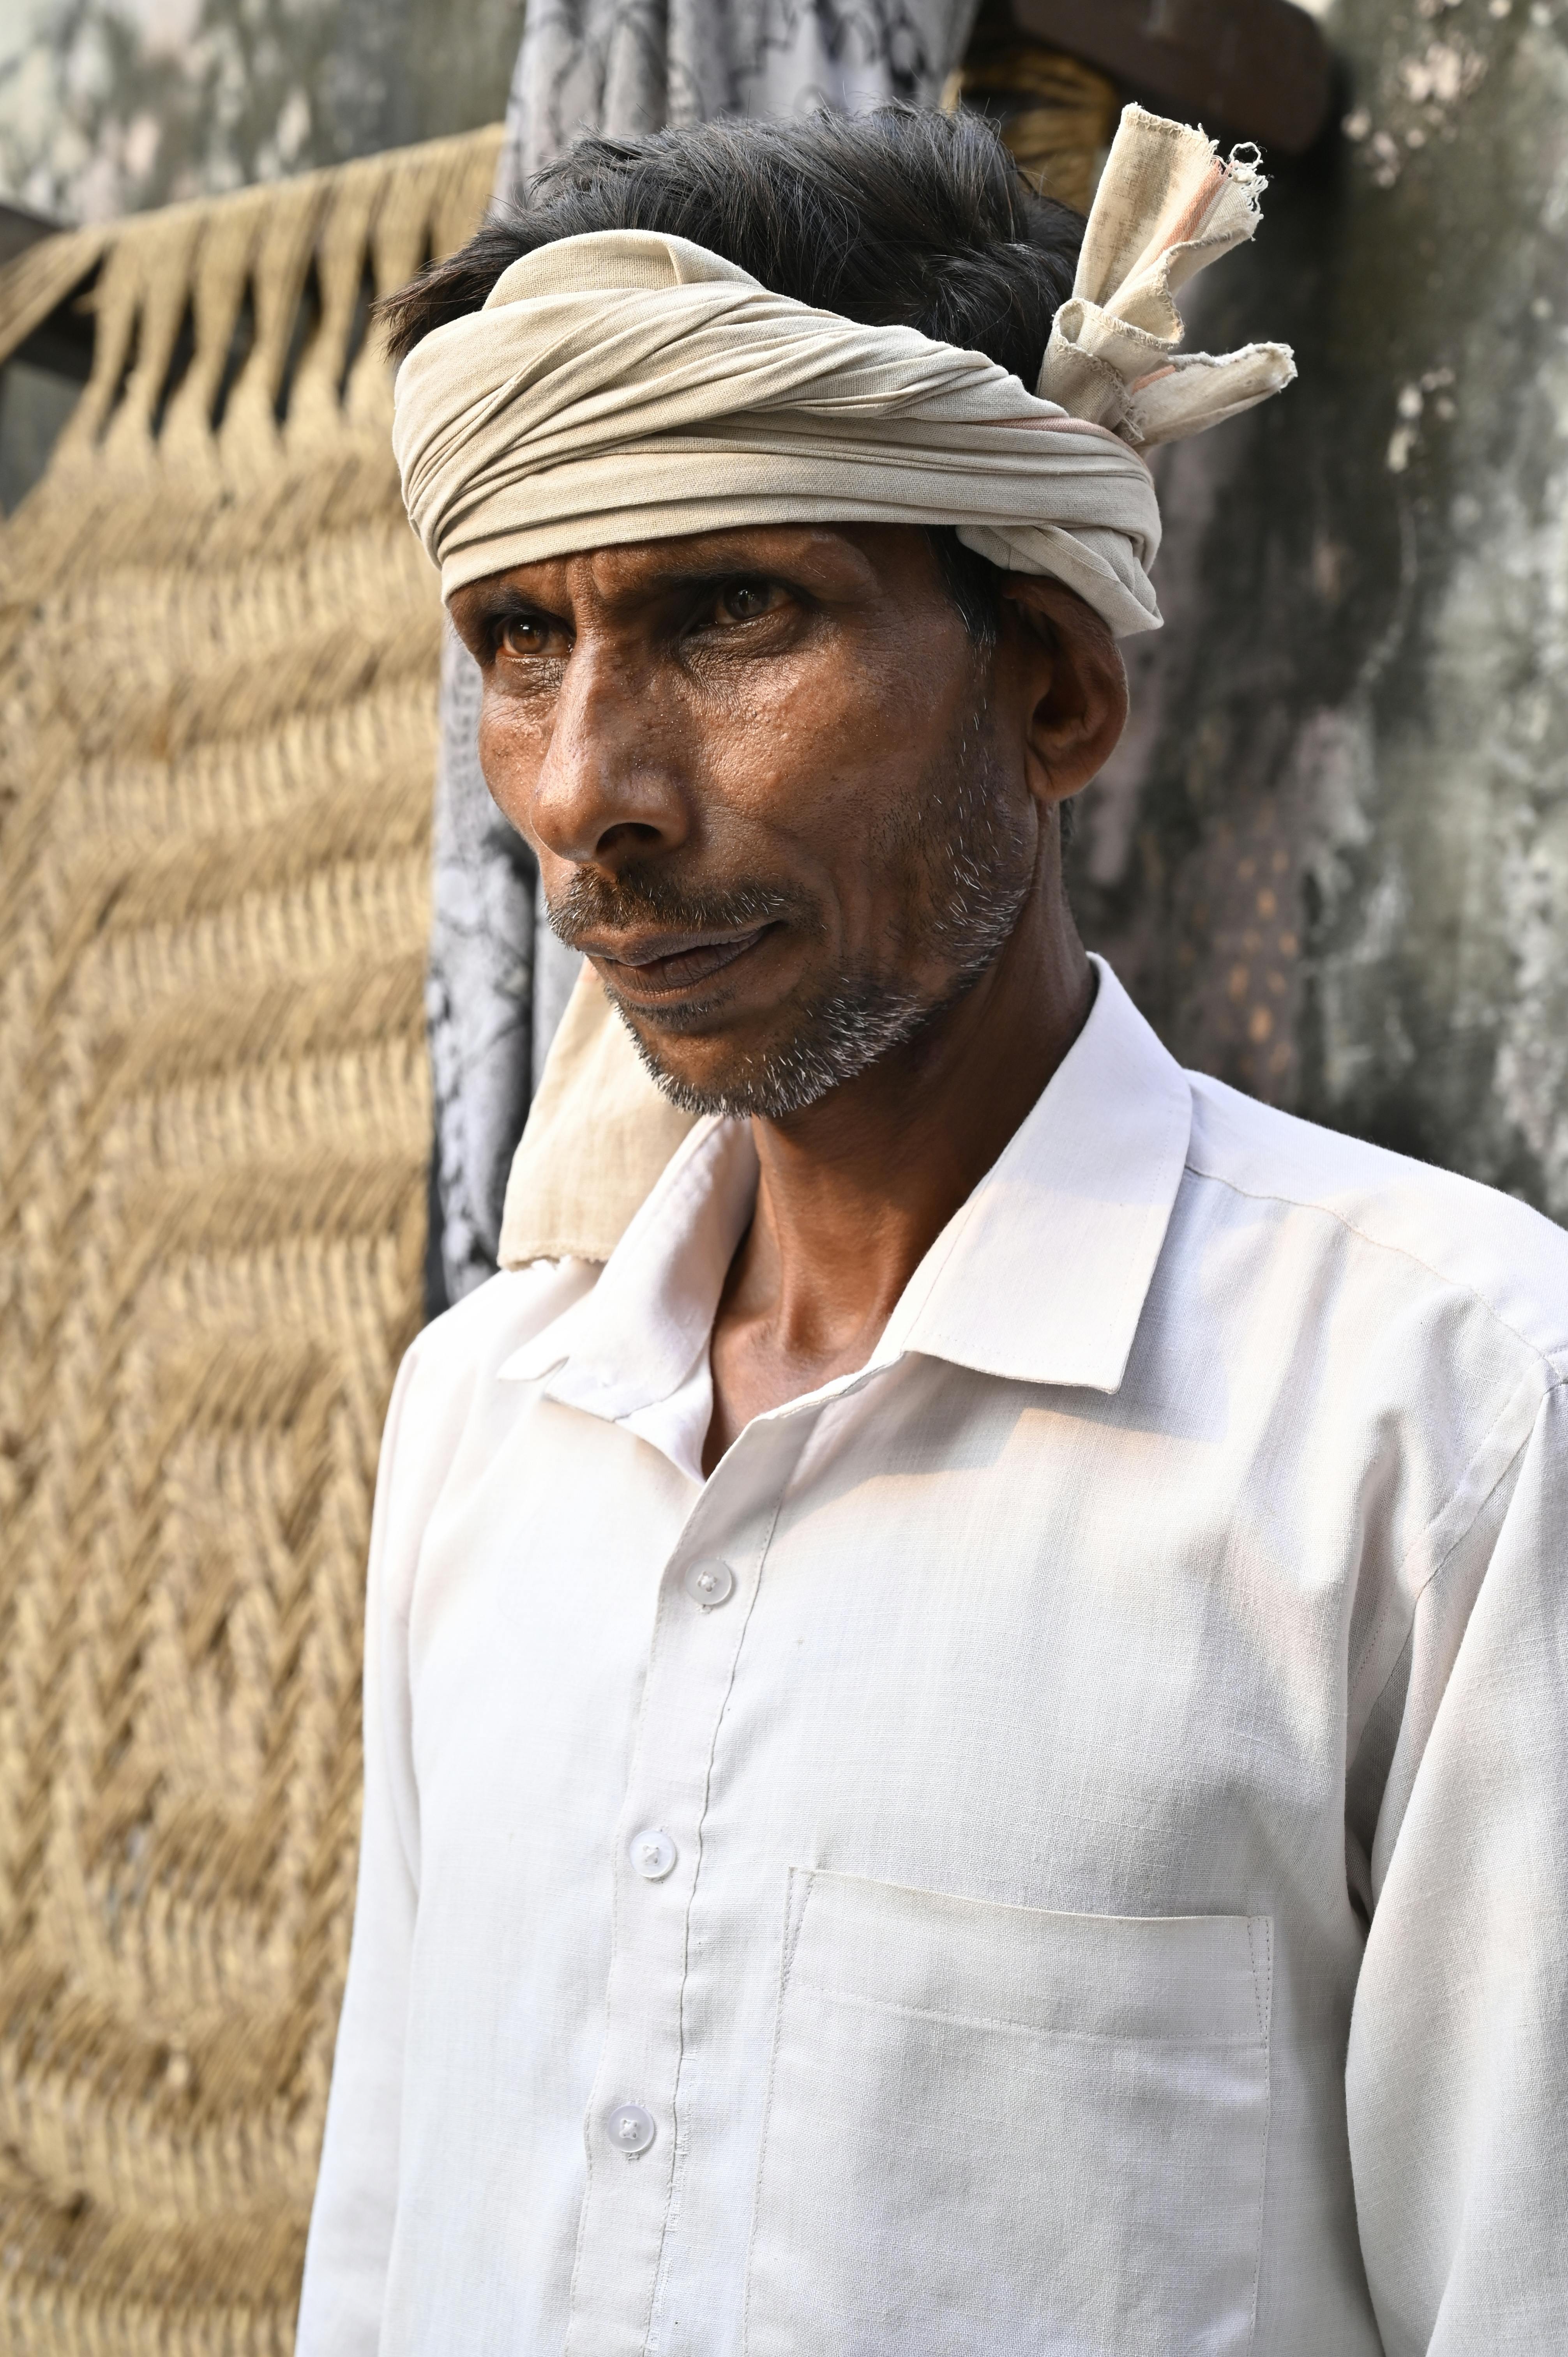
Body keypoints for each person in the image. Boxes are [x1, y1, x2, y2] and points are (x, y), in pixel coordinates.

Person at [297, 104, 1568, 2357]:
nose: (589, 789)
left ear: (1054, 689)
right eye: (516, 639)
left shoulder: (1445, 1417)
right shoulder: (487, 1421)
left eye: (729, 616)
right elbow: (393, 2249)